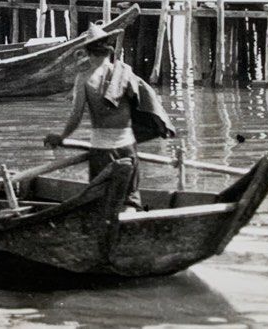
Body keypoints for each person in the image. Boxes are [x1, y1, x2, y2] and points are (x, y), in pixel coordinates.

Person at [44, 24, 175, 211]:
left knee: (101, 202)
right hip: (127, 147)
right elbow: (146, 103)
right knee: (130, 200)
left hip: (102, 150)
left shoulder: (84, 79)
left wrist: (61, 137)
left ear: (89, 53)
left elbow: (76, 115)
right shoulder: (125, 74)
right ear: (109, 52)